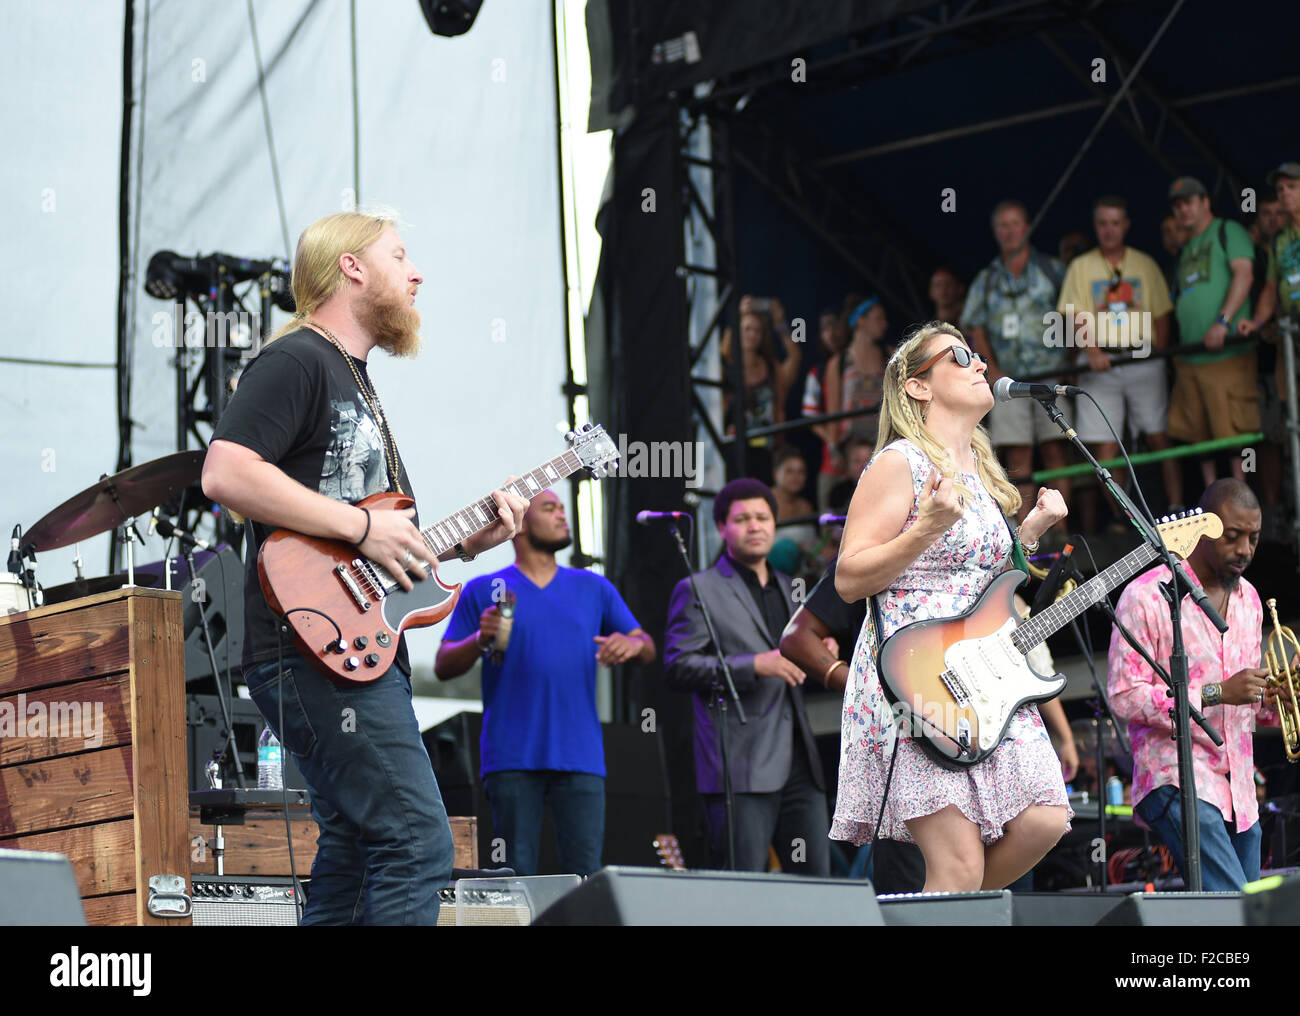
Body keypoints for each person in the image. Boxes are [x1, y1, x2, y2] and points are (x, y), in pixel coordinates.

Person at [201, 210, 529, 924]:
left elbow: (371, 550)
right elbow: (224, 472)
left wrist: (465, 544)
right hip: (309, 651)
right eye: (400, 256)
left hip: (351, 647)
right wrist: (361, 525)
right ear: (352, 267)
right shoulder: (297, 359)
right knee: (416, 841)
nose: (417, 274)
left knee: (353, 852)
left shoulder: (356, 378)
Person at [830, 321, 1071, 893]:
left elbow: (985, 583)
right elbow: (847, 578)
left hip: (985, 673)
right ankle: (955, 902)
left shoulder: (981, 479)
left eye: (978, 355)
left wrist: (1027, 535)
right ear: (919, 387)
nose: (980, 364)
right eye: (960, 355)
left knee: (1046, 818)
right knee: (957, 865)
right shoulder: (900, 462)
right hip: (916, 673)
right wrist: (924, 528)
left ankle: (952, 908)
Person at [434, 490, 655, 876]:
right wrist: (478, 639)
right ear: (519, 523)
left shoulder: (593, 587)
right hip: (511, 754)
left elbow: (648, 646)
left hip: (580, 753)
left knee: (586, 875)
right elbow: (443, 666)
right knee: (514, 876)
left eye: (562, 508)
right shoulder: (484, 588)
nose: (561, 515)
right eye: (549, 508)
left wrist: (630, 644)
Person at [1107, 479, 1280, 891]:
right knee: (1236, 906)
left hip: (1238, 790)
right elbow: (1122, 695)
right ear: (1203, 528)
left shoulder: (1251, 601)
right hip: (1174, 775)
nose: (1244, 550)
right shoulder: (1146, 597)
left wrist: (1274, 698)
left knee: (1244, 910)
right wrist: (1216, 691)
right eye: (1233, 537)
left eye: (1253, 539)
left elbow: (1248, 706)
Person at [663, 478, 830, 875]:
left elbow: (800, 660)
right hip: (740, 764)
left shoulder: (793, 589)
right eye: (742, 519)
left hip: (801, 765)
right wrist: (753, 665)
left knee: (818, 886)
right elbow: (677, 666)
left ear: (775, 524)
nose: (754, 526)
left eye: (763, 517)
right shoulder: (698, 589)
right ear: (722, 528)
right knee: (744, 888)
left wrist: (822, 656)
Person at [779, 556, 926, 892]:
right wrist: (866, 689)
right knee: (913, 870)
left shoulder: (983, 538)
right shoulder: (873, 547)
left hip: (979, 729)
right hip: (905, 732)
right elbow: (797, 637)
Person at [1056, 194, 1179, 523]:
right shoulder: (1081, 267)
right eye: (1102, 223)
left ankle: (1176, 506)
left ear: (1125, 226)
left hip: (1143, 358)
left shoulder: (1144, 263)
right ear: (1095, 226)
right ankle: (1127, 518)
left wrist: (1159, 355)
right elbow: (1073, 314)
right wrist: (1093, 351)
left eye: (1115, 223)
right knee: (1105, 447)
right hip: (1101, 363)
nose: (1109, 230)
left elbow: (1163, 315)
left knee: (1158, 435)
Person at [961, 200, 1073, 518]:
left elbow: (1076, 317)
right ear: (995, 233)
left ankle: (1058, 528)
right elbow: (976, 328)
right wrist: (992, 372)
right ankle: (1027, 533)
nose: (1009, 232)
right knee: (1018, 457)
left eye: (1015, 224)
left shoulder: (1052, 270)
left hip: (1051, 375)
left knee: (1055, 451)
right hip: (1008, 382)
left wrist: (1072, 362)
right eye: (1003, 226)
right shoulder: (986, 280)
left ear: (1026, 228)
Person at [1165, 176, 1257, 486]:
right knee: (1199, 438)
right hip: (1192, 356)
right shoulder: (1187, 246)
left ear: (1206, 202)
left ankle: (1243, 501)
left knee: (1233, 435)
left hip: (1226, 352)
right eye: (1177, 206)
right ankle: (1212, 501)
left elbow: (1244, 274)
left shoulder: (1227, 230)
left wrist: (1223, 322)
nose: (1183, 210)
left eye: (1189, 202)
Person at [1242, 165, 1300, 536]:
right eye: (1280, 189)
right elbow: (1270, 287)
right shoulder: (1280, 239)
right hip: (1290, 339)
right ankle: (1287, 512)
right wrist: (1258, 321)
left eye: (1292, 187)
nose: (1284, 195)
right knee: (1288, 425)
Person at [721, 295, 803, 482]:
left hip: (766, 450)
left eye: (757, 330)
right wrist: (737, 316)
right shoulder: (725, 368)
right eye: (747, 329)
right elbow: (722, 353)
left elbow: (795, 357)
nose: (752, 335)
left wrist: (780, 324)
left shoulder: (771, 368)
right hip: (733, 449)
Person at [803, 305, 851, 508]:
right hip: (831, 461)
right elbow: (811, 418)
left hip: (861, 457)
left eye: (835, 326)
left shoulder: (861, 363)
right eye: (825, 329)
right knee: (829, 519)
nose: (831, 333)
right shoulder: (817, 372)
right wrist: (833, 444)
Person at [825, 297, 888, 451]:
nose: (885, 324)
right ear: (861, 321)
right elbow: (833, 410)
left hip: (882, 444)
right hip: (851, 447)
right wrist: (834, 448)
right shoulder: (839, 363)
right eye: (878, 318)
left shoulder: (889, 356)